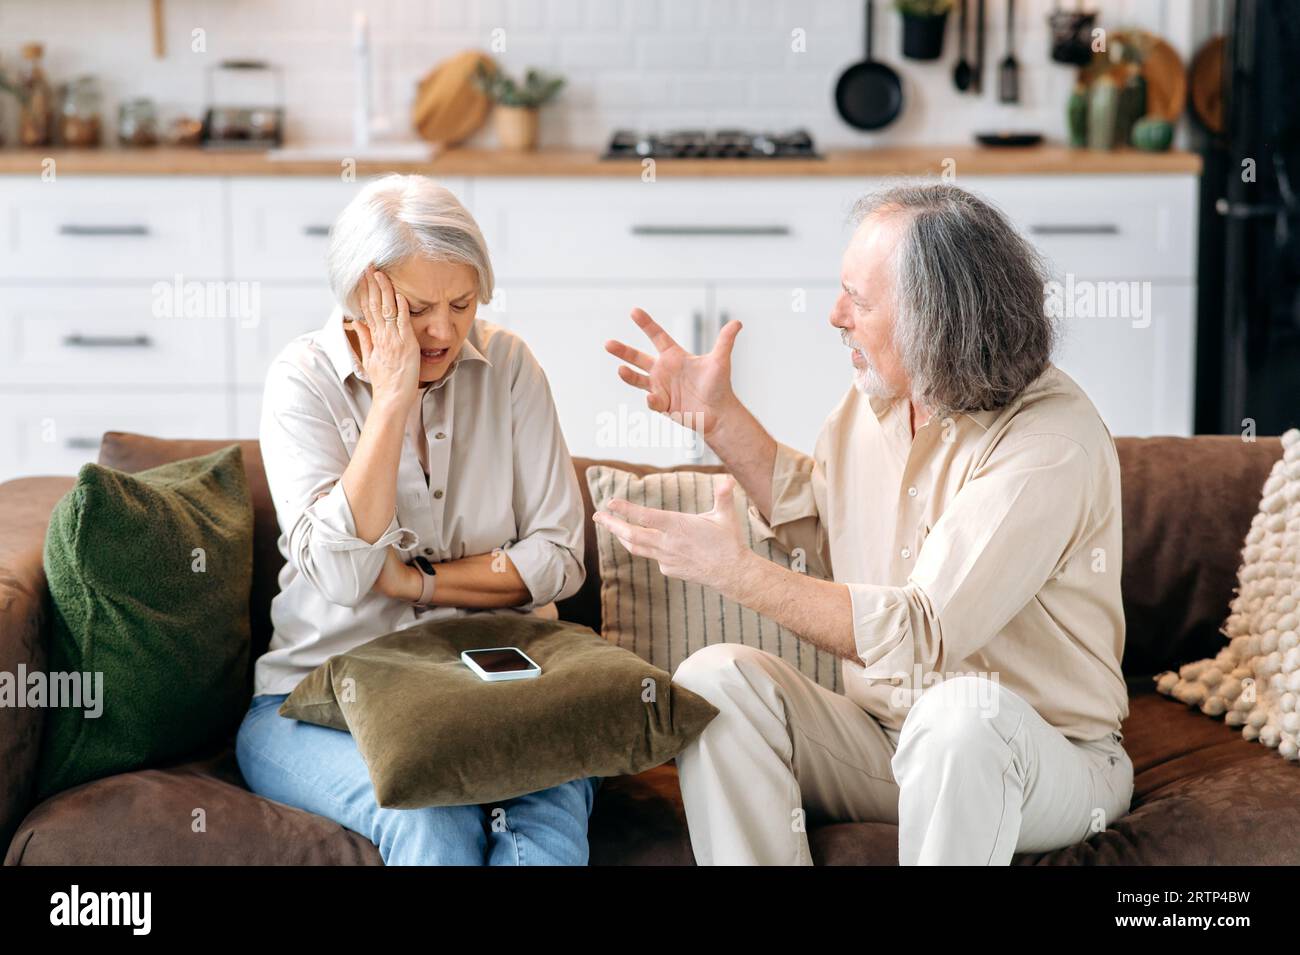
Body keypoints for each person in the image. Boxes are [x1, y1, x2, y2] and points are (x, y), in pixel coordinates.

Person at [595, 182, 1133, 865]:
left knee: (963, 715)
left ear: (934, 322)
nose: (834, 315)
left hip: (1040, 759)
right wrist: (718, 416)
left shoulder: (1048, 444)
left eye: (860, 299)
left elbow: (923, 632)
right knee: (714, 679)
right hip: (889, 738)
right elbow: (817, 518)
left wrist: (731, 571)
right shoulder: (876, 403)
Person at [236, 174, 595, 865]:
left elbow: (559, 557)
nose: (443, 330)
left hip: (496, 688)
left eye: (462, 303)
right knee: (431, 819)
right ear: (358, 297)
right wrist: (392, 399)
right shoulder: (301, 381)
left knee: (544, 837)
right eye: (416, 308)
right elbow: (343, 574)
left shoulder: (510, 367)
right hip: (318, 700)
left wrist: (419, 583)